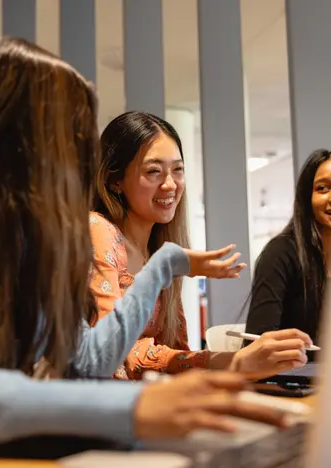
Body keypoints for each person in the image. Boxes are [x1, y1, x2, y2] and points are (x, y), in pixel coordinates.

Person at [0, 38, 289, 443]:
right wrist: (128, 407)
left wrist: (165, 263)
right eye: (73, 131)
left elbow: (89, 361)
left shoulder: (32, 232)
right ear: (18, 134)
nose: (82, 154)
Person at [91, 111, 312, 381]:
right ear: (115, 181)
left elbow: (176, 352)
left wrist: (235, 364)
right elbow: (113, 352)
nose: (170, 184)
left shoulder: (160, 249)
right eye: (153, 171)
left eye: (178, 169)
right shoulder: (98, 230)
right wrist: (232, 362)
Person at [245, 148, 331, 346]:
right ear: (306, 198)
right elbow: (256, 345)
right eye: (323, 188)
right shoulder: (280, 254)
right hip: (294, 374)